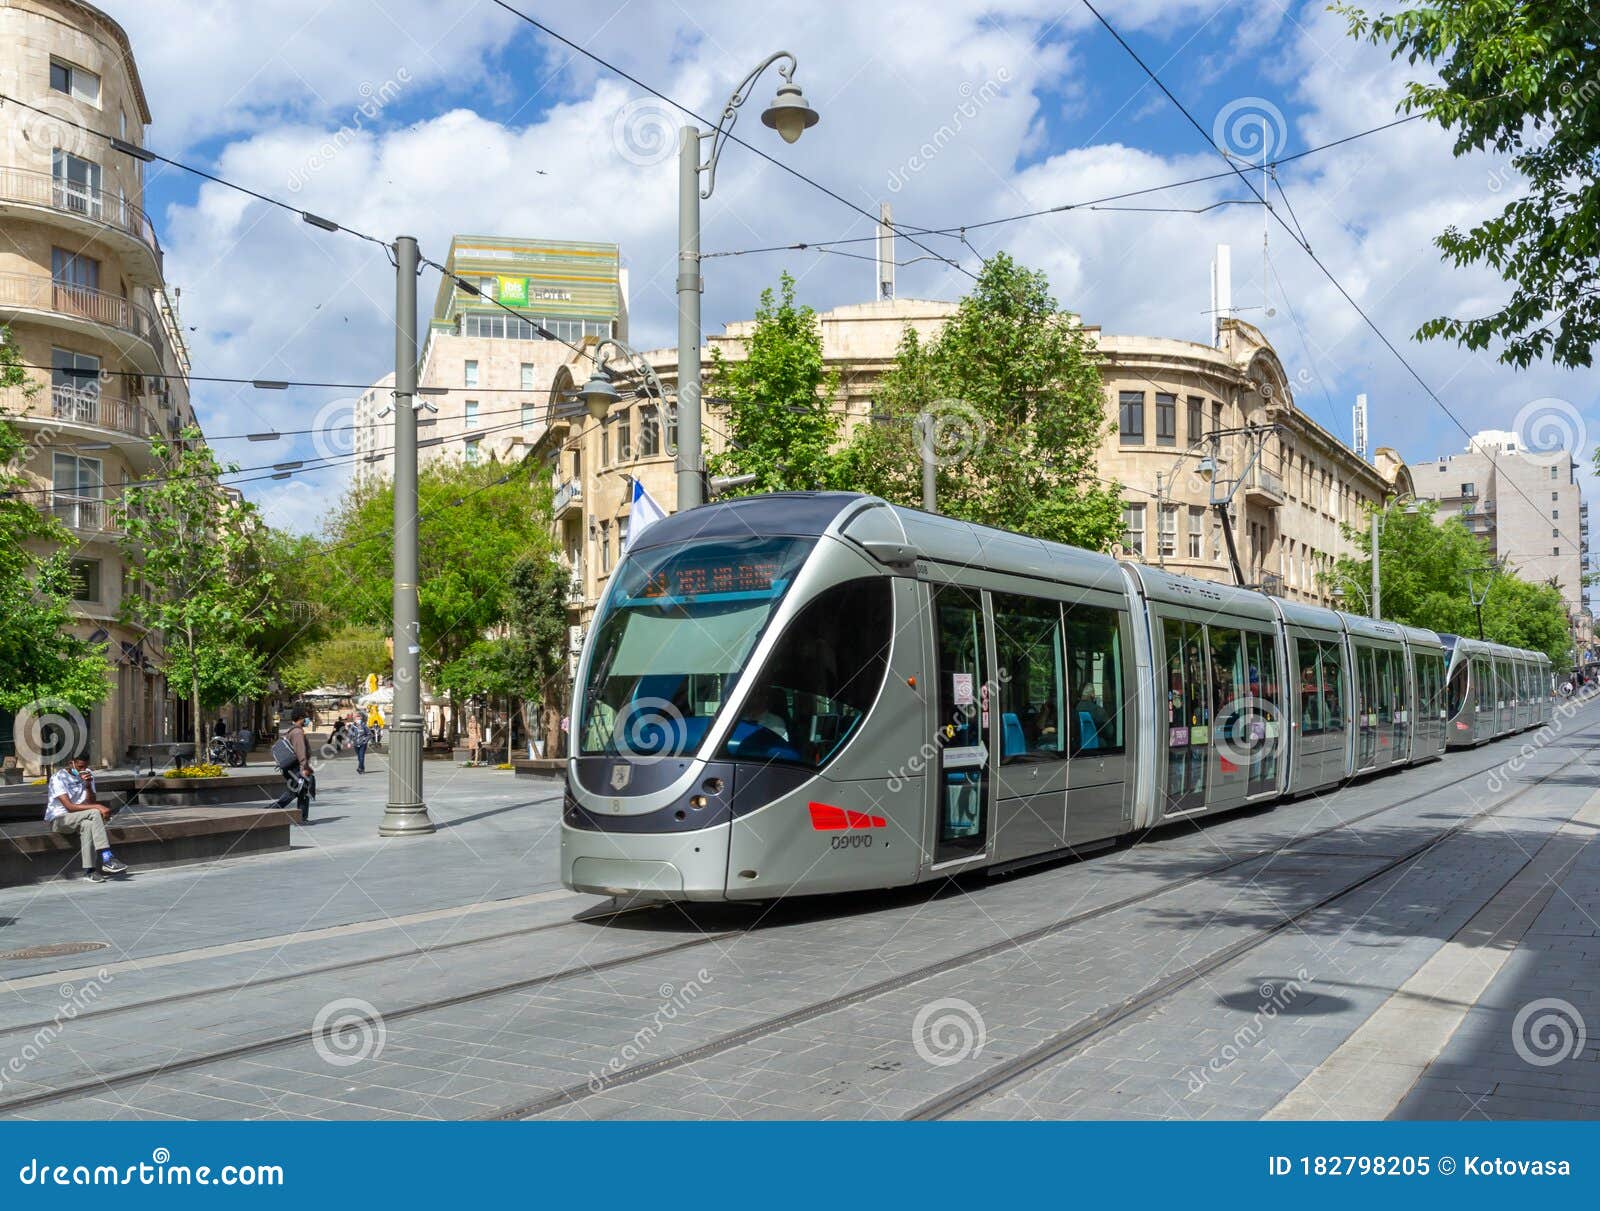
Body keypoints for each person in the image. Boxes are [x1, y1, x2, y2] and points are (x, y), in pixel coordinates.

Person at [45, 756, 128, 883]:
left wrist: (88, 786)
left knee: (88, 825)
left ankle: (90, 871)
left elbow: (90, 802)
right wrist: (99, 806)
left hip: (80, 817)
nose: (83, 770)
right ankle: (106, 857)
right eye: (80, 767)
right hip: (59, 820)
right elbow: (70, 807)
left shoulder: (88, 775)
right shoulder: (58, 778)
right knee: (95, 812)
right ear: (71, 764)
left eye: (85, 766)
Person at [276, 707, 314, 823]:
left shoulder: (292, 730)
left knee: (302, 792)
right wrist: (304, 767)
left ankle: (302, 817)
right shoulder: (297, 732)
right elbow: (300, 751)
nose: (308, 720)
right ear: (301, 718)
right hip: (297, 768)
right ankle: (270, 811)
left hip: (293, 768)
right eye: (306, 717)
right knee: (293, 793)